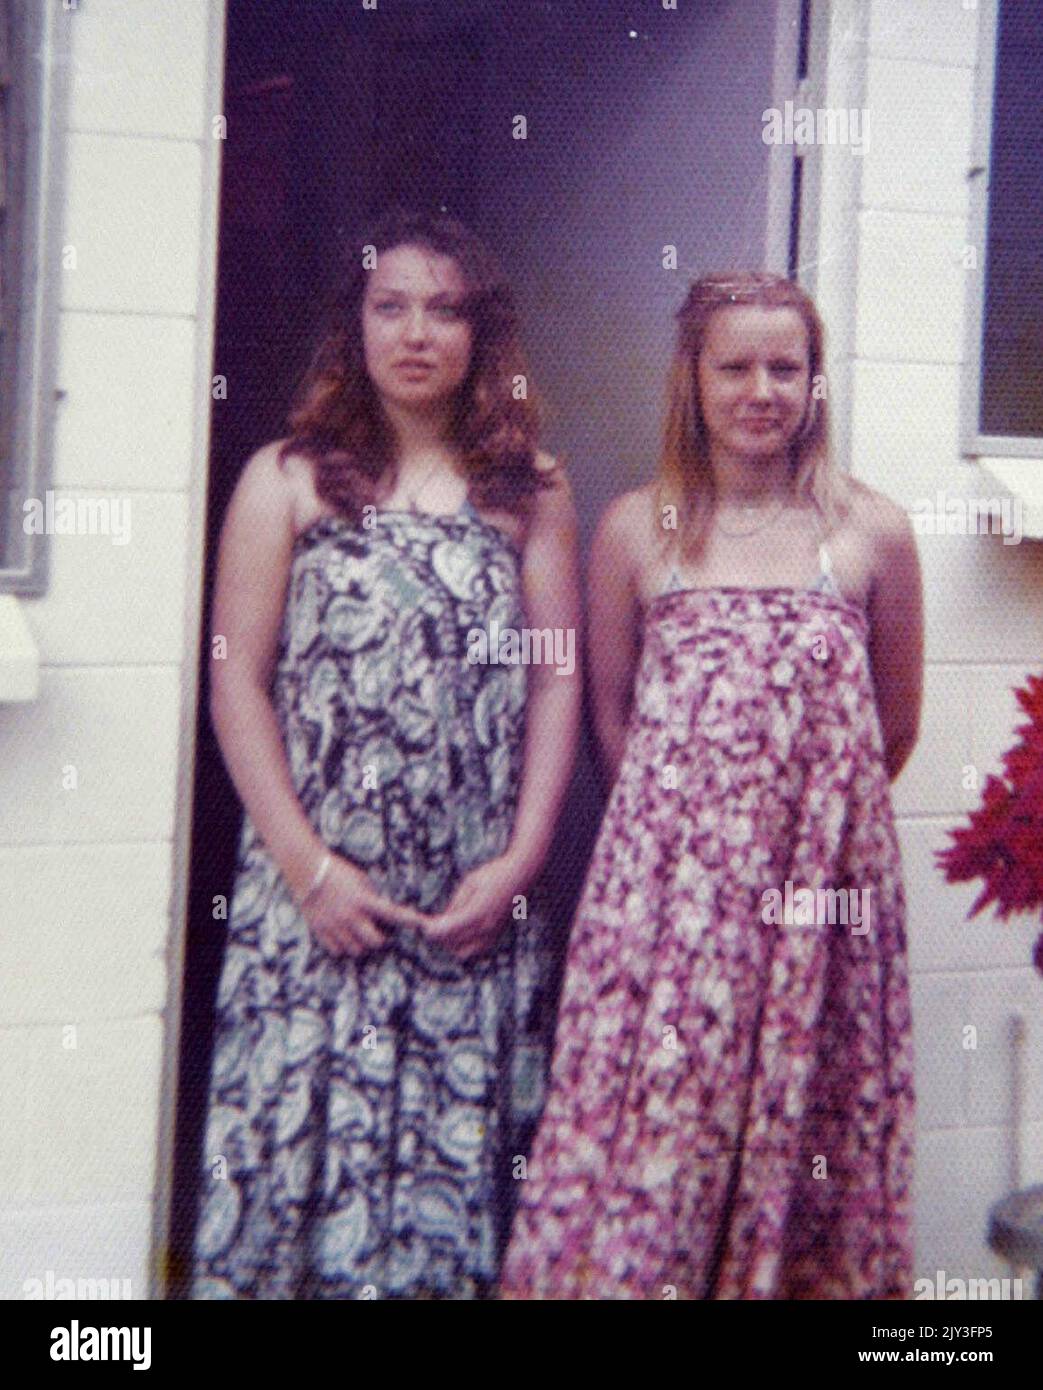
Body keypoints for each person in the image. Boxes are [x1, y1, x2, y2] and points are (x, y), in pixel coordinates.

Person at [501, 271, 923, 1300]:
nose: (760, 391)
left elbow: (893, 727)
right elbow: (611, 721)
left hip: (817, 906)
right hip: (668, 910)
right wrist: (694, 846)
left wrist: (799, 840)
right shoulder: (635, 529)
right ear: (690, 379)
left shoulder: (869, 531)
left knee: (806, 1126)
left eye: (785, 367)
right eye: (734, 367)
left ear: (813, 382)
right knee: (662, 1128)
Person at [190, 210, 581, 1299]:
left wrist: (519, 863)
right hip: (318, 898)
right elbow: (234, 680)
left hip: (466, 903)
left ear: (479, 334)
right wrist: (308, 869)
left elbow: (556, 677)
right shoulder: (285, 479)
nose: (415, 333)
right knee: (296, 1157)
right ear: (354, 325)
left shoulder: (530, 488)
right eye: (390, 306)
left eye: (443, 311)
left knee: (445, 1195)